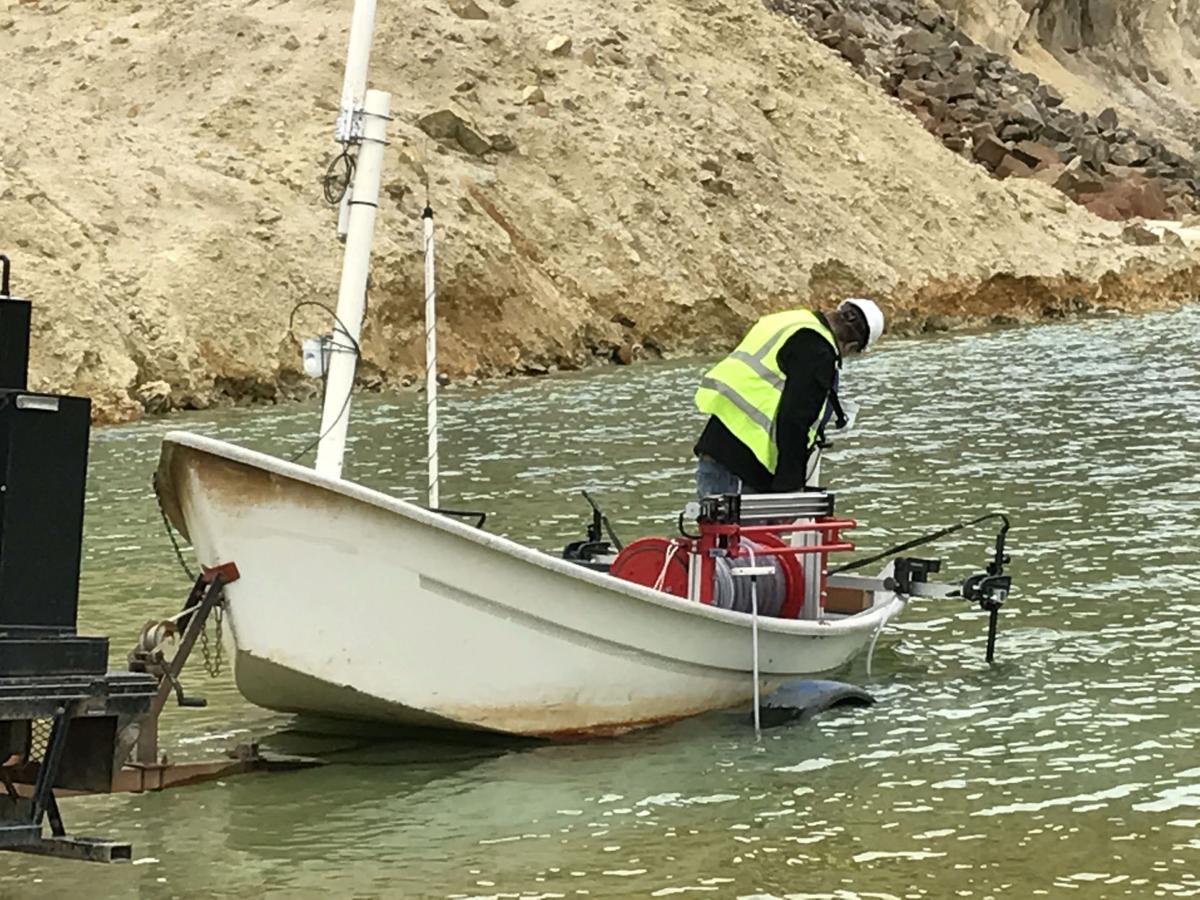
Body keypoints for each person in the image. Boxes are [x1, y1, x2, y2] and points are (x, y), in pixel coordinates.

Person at [693, 298, 885, 498]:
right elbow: (794, 419)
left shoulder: (790, 321)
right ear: (851, 346)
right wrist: (790, 488)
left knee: (716, 528)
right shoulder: (819, 351)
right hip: (744, 469)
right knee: (743, 530)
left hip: (716, 449)